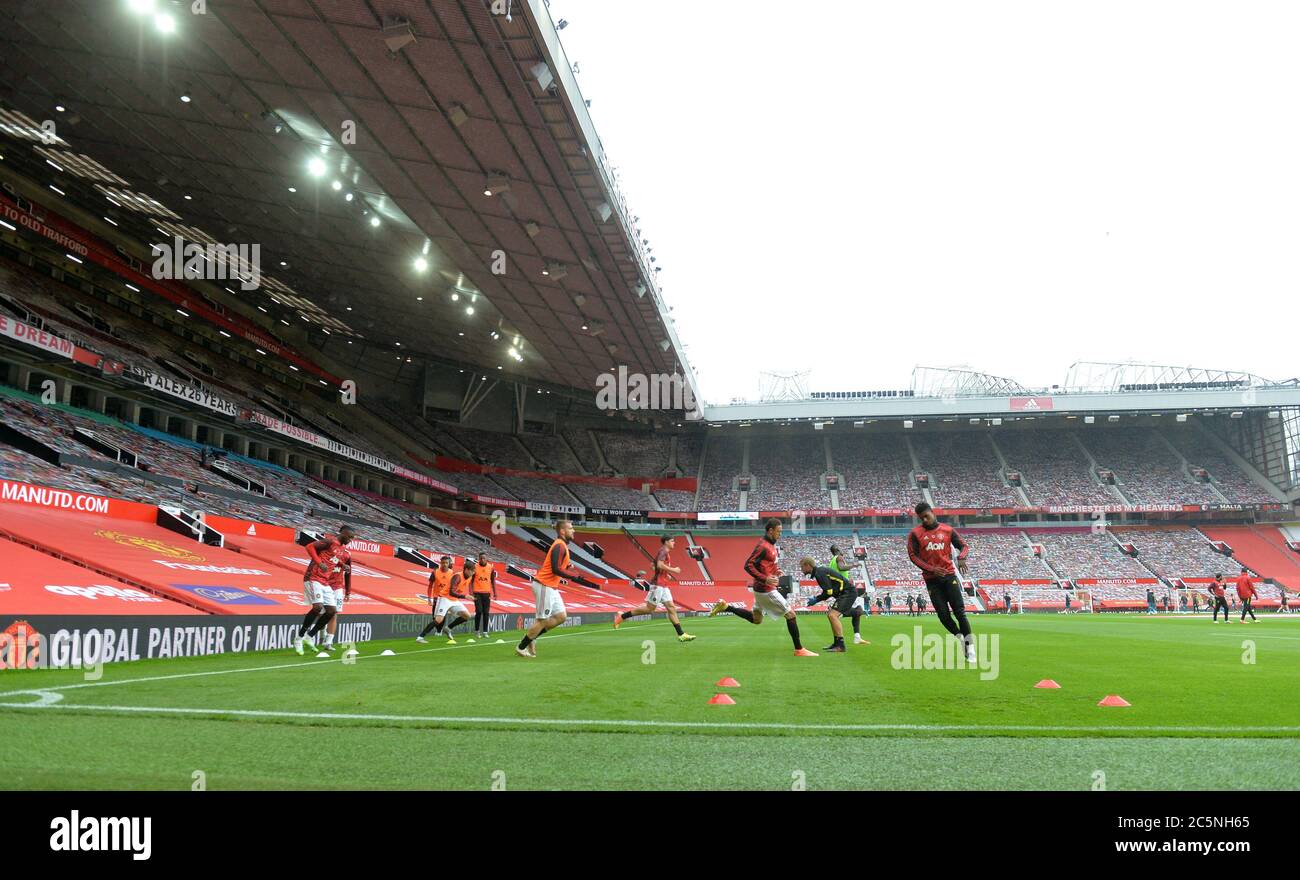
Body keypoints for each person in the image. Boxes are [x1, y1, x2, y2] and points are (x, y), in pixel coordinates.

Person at [709, 518, 817, 657]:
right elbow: (748, 565)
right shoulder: (763, 546)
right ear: (770, 530)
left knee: (756, 619)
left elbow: (768, 566)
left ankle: (726, 607)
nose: (780, 534)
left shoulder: (771, 546)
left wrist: (777, 572)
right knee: (791, 615)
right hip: (766, 590)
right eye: (778, 531)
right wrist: (765, 578)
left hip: (761, 589)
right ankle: (799, 649)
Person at [906, 502, 976, 663]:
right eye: (921, 518)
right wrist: (931, 569)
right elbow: (912, 556)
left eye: (926, 516)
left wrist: (962, 557)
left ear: (933, 513)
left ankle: (970, 646)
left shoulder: (948, 530)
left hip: (949, 576)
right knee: (943, 616)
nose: (924, 520)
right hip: (932, 580)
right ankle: (960, 638)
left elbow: (964, 546)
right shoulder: (915, 533)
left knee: (960, 612)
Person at [516, 520, 583, 658]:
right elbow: (555, 568)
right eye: (571, 528)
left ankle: (532, 637)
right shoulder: (559, 545)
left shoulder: (562, 545)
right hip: (544, 585)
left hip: (551, 586)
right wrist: (572, 576)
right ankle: (521, 647)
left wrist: (567, 567)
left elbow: (558, 565)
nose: (574, 530)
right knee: (542, 620)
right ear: (562, 531)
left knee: (561, 617)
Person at [613, 535, 696, 641]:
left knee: (671, 608)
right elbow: (660, 565)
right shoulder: (663, 552)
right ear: (666, 542)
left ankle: (681, 634)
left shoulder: (663, 552)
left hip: (663, 584)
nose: (674, 543)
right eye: (672, 541)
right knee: (649, 609)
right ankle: (623, 616)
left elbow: (652, 565)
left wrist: (665, 574)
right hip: (658, 584)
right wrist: (673, 570)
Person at [296, 526, 354, 654]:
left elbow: (333, 558)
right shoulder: (329, 541)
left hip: (325, 581)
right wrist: (318, 562)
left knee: (332, 611)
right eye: (349, 537)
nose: (350, 540)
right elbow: (309, 547)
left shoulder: (341, 549)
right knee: (317, 607)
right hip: (313, 577)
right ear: (343, 534)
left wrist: (342, 565)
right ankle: (299, 638)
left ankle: (309, 636)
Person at [800, 556, 861, 652]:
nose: (801, 569)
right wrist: (817, 599)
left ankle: (841, 645)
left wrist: (816, 599)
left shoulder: (819, 573)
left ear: (808, 565)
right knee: (831, 615)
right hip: (845, 593)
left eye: (802, 567)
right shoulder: (818, 572)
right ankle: (837, 643)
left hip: (848, 592)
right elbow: (829, 591)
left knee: (833, 615)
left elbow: (829, 592)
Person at [827, 544, 868, 644]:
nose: (842, 550)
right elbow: (842, 568)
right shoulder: (839, 558)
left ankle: (857, 637)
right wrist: (854, 565)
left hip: (840, 588)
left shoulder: (831, 562)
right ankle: (838, 613)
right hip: (845, 590)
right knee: (858, 611)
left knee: (858, 610)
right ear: (837, 549)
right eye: (840, 548)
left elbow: (836, 573)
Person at [417, 556, 461, 642]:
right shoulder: (435, 572)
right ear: (440, 563)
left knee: (442, 616)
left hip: (446, 598)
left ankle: (438, 631)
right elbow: (430, 586)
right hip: (437, 598)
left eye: (446, 563)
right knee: (435, 616)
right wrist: (429, 598)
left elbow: (455, 586)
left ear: (449, 564)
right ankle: (436, 631)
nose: (444, 564)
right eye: (443, 563)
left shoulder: (452, 573)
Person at [470, 551, 498, 640]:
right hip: (477, 593)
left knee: (486, 613)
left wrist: (495, 592)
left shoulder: (491, 568)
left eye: (484, 558)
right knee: (478, 611)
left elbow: (493, 581)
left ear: (486, 559)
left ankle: (485, 632)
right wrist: (471, 591)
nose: (482, 560)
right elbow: (471, 580)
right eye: (481, 558)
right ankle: (477, 631)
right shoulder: (475, 567)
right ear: (478, 559)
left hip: (487, 593)